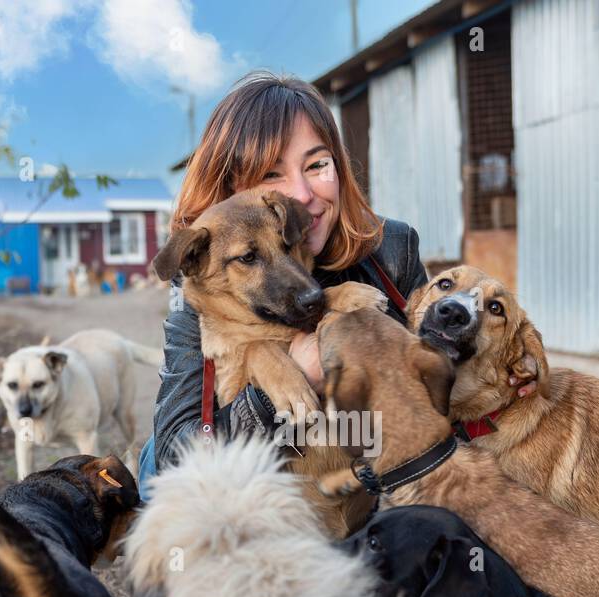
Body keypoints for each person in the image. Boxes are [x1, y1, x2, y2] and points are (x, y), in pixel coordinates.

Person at [138, 71, 429, 486]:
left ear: (339, 167)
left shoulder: (392, 248)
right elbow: (176, 459)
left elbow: (440, 387)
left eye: (316, 165)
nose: (302, 196)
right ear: (233, 189)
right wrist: (279, 381)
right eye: (271, 175)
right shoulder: (206, 281)